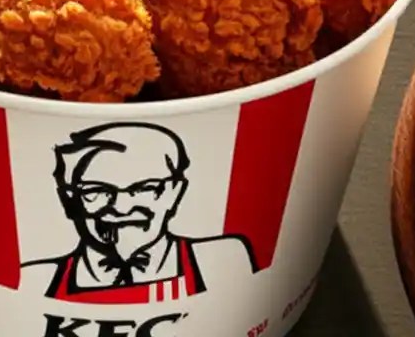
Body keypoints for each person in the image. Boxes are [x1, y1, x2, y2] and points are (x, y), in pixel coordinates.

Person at [21, 123, 257, 303]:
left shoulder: (219, 260)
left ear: (174, 193)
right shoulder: (37, 279)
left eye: (145, 188)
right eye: (97, 191)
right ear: (68, 200)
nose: (122, 208)